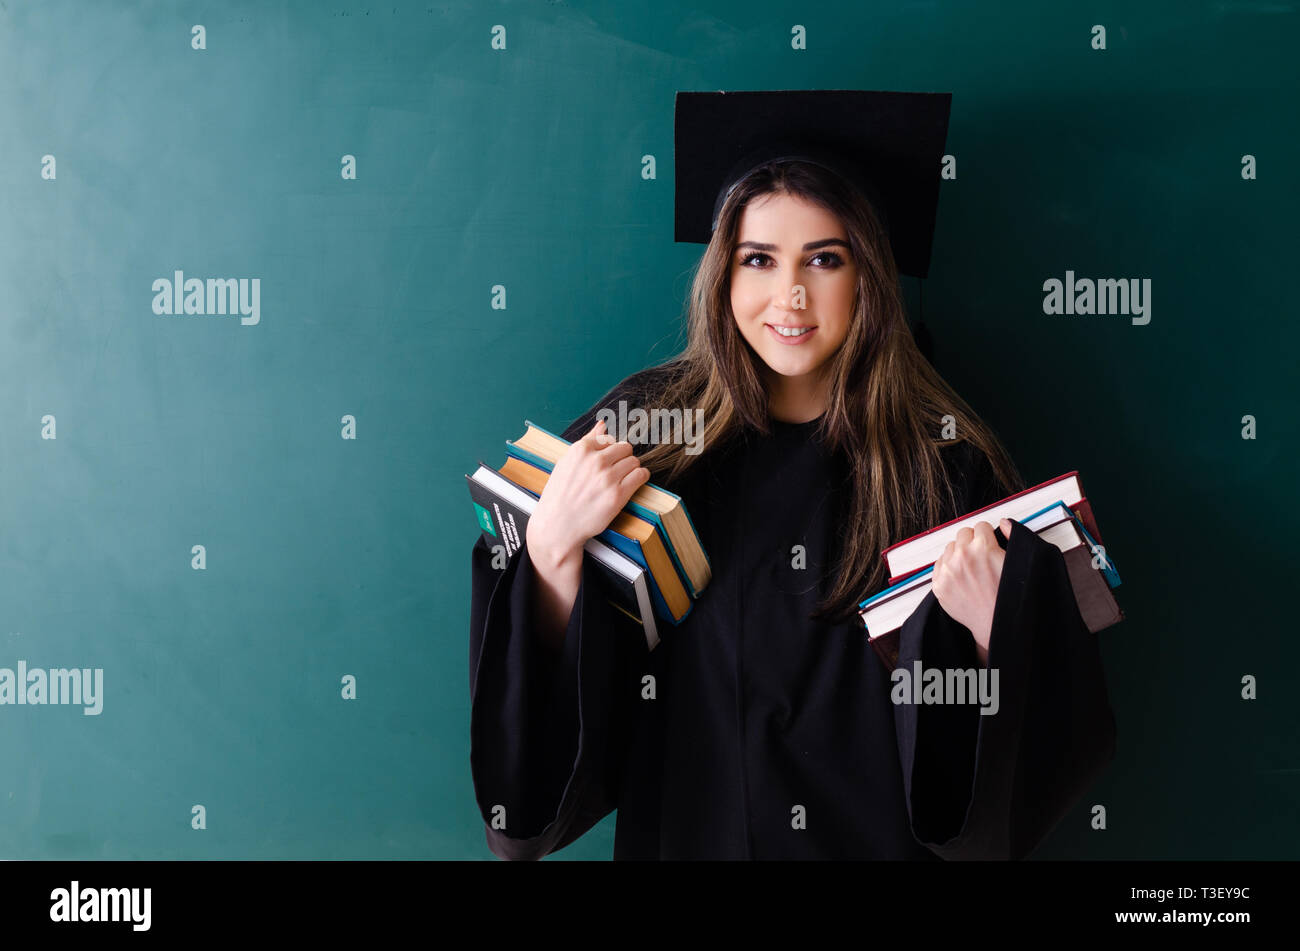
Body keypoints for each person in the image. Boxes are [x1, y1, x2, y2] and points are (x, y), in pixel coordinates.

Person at [468, 90, 1117, 860]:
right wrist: (549, 553)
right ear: (724, 276)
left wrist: (990, 636)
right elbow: (554, 737)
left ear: (867, 274)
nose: (791, 297)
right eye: (759, 259)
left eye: (825, 258)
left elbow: (1004, 774)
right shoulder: (646, 437)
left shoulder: (939, 461)